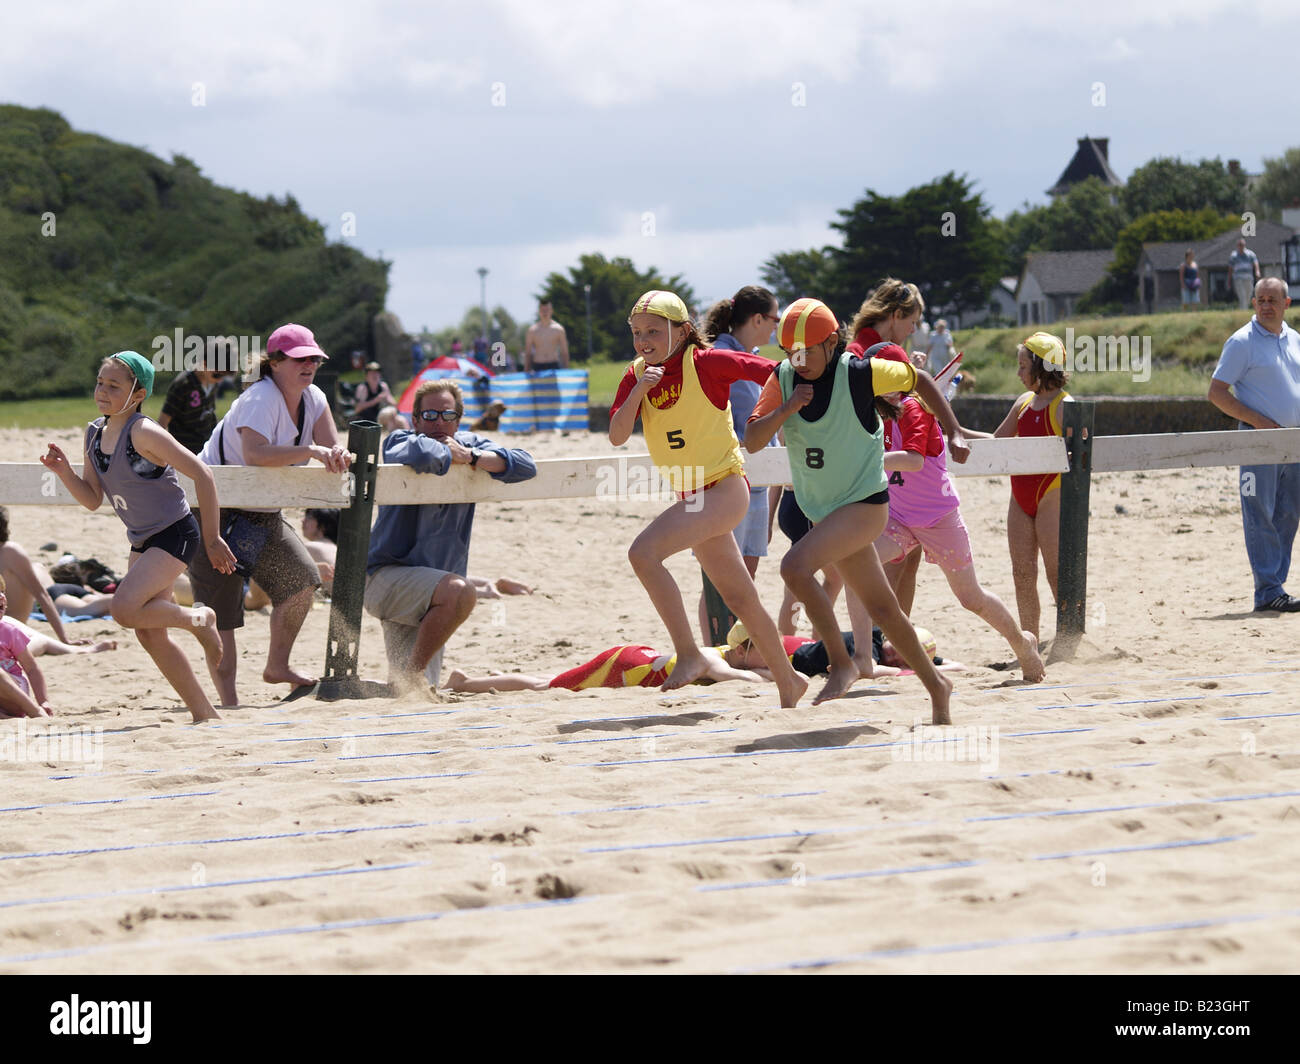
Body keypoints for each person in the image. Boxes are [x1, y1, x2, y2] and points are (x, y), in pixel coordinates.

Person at [745, 290, 967, 719]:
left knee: (794, 567)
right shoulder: (784, 377)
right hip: (823, 510)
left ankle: (842, 664)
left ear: (832, 342)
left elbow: (919, 381)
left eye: (808, 350)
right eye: (792, 350)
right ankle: (937, 685)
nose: (800, 359)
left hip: (865, 505)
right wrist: (788, 407)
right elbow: (753, 440)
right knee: (884, 609)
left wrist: (954, 430)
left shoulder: (861, 373)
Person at [608, 290, 807, 708]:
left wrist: (793, 405)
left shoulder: (708, 361)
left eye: (654, 332)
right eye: (637, 333)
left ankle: (691, 655)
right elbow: (618, 435)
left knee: (643, 554)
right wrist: (638, 392)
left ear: (681, 331)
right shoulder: (636, 374)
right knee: (740, 597)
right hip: (694, 495)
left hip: (722, 489)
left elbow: (772, 371)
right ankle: (789, 681)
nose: (644, 340)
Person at [40, 351, 236, 723]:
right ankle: (205, 713)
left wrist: (212, 538)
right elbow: (93, 499)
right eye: (100, 382)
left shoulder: (144, 432)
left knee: (124, 610)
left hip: (175, 534)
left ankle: (201, 620)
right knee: (150, 635)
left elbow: (203, 476)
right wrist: (64, 471)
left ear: (138, 393)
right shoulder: (94, 432)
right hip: (143, 540)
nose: (103, 390)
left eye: (114, 385)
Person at [189, 323, 352, 705]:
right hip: (213, 509)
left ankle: (277, 666)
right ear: (276, 362)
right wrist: (312, 452)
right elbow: (256, 455)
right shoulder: (261, 397)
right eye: (300, 358)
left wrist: (338, 453)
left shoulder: (314, 397)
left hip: (261, 511)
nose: (309, 364)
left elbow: (330, 445)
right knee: (222, 612)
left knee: (301, 581)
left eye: (314, 358)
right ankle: (229, 703)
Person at [874, 352, 1045, 682]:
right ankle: (861, 658)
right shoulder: (876, 411)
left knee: (971, 598)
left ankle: (1022, 644)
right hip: (899, 518)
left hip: (938, 518)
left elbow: (912, 461)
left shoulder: (912, 409)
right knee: (858, 561)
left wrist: (868, 460)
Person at [365, 379, 537, 693]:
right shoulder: (399, 439)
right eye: (429, 416)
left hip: (435, 591)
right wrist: (452, 452)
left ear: (459, 418)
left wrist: (470, 457)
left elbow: (526, 466)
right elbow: (423, 454)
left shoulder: (469, 444)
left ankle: (436, 681)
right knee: (461, 593)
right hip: (387, 579)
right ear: (415, 419)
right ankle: (411, 675)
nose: (439, 422)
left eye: (447, 415)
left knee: (411, 693)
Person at [1208, 277, 1300, 612]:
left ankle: (1276, 588)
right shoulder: (1241, 342)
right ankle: (1268, 590)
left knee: (1288, 514)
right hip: (1258, 440)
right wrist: (1259, 422)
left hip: (1293, 442)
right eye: (1260, 299)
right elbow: (1216, 392)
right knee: (1259, 512)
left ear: (1286, 303)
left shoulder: (1295, 340)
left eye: (1272, 299)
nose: (1265, 305)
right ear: (1253, 303)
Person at [697, 285, 783, 639]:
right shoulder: (720, 356)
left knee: (744, 580)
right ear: (758, 318)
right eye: (774, 319)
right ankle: (715, 647)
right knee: (720, 580)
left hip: (759, 479)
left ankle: (733, 649)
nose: (776, 328)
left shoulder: (752, 356)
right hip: (730, 480)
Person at [991, 332, 1072, 639]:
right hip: (1020, 496)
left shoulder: (1066, 407)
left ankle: (1069, 638)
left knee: (1056, 573)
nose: (1018, 373)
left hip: (1052, 492)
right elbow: (996, 443)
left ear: (1042, 367)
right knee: (1022, 574)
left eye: (1023, 366)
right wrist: (955, 431)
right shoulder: (1023, 403)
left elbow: (1082, 458)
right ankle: (1030, 641)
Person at [0, 508, 112, 640]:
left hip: (11, 628)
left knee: (93, 606)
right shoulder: (13, 555)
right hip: (16, 620)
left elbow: (42, 596)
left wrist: (64, 639)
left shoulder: (10, 551)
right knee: (94, 603)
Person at [158, 338, 231, 453]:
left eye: (224, 376)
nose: (219, 381)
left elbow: (210, 414)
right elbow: (162, 422)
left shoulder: (212, 382)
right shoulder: (182, 384)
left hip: (207, 450)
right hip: (184, 452)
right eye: (217, 375)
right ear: (204, 364)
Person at [0, 575, 53, 717]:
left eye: (2, 592)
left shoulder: (9, 631)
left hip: (15, 693)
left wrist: (43, 701)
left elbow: (32, 668)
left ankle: (35, 711)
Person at [523, 301, 570, 372]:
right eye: (542, 310)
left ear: (551, 311)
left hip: (554, 365)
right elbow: (528, 353)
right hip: (537, 366)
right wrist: (526, 371)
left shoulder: (559, 329)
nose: (545, 312)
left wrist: (566, 370)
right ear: (539, 311)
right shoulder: (532, 330)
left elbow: (564, 352)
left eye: (547, 310)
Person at [1229, 238, 1261, 310]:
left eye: (1242, 245)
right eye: (1240, 245)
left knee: (1248, 295)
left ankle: (1243, 309)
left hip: (1248, 277)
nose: (1241, 246)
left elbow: (1255, 263)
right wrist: (1229, 279)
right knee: (1242, 296)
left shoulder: (1250, 254)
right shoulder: (1233, 256)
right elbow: (1230, 268)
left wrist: (1257, 271)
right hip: (1238, 278)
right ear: (1237, 246)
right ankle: (1243, 310)